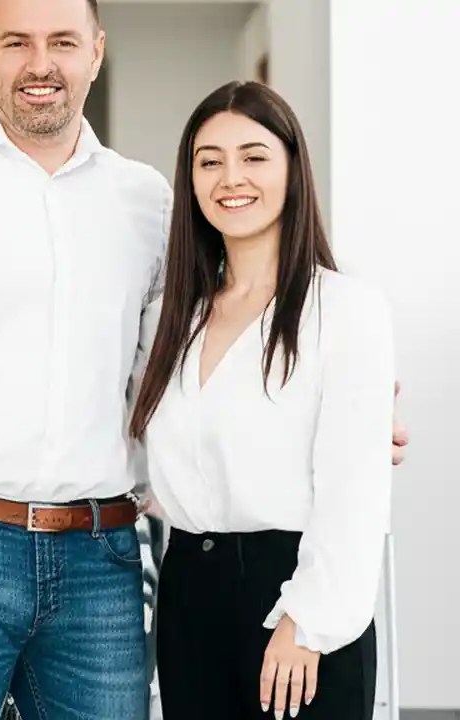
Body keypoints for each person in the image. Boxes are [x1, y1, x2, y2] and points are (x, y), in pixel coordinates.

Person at [0, 0, 409, 717]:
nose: (40, 63)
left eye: (62, 41)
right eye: (17, 42)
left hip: (99, 558)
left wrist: (341, 420)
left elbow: (166, 374)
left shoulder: (145, 200)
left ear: (95, 52)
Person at [129, 80, 393, 720]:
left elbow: (352, 491)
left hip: (297, 593)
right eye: (209, 160)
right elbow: (135, 455)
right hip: (189, 590)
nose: (230, 178)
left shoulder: (343, 309)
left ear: (292, 170)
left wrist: (308, 620)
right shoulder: (169, 318)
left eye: (254, 156)